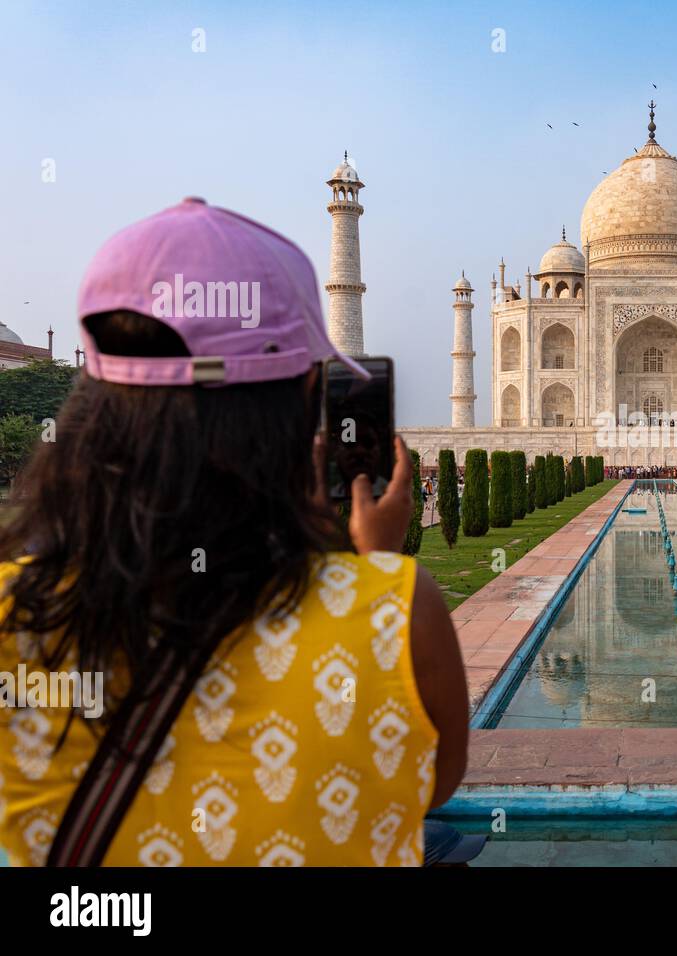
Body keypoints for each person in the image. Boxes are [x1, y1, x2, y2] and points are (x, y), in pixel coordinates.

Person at [0, 199, 469, 866]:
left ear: (90, 405)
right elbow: (428, 783)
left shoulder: (13, 612)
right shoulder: (398, 611)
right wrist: (364, 573)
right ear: (308, 397)